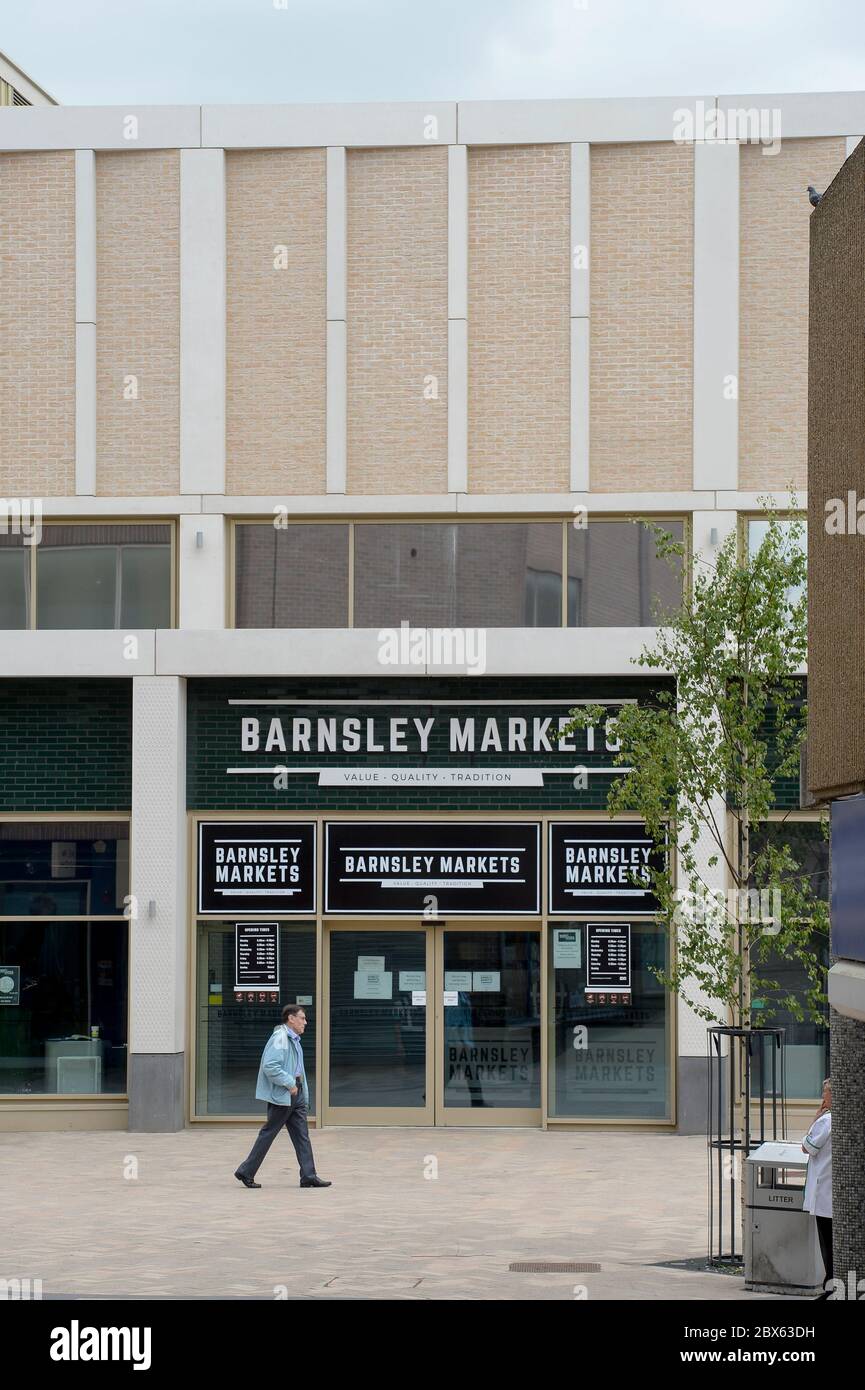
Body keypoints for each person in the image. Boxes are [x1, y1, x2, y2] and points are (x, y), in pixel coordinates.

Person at [234, 1004, 331, 1190]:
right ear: (291, 1018)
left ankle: (309, 1176)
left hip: (296, 1091)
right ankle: (246, 1171)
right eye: (302, 1018)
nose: (305, 1022)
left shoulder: (293, 1039)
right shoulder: (280, 1038)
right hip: (286, 1092)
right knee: (269, 1133)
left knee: (302, 1135)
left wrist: (298, 1087)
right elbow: (270, 1066)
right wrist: (289, 1083)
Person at [802, 1076, 832, 1297]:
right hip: (832, 1191)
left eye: (825, 1093)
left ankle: (830, 1283)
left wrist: (815, 1118)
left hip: (823, 1190)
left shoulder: (825, 1121)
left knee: (826, 1241)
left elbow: (807, 1146)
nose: (822, 1097)